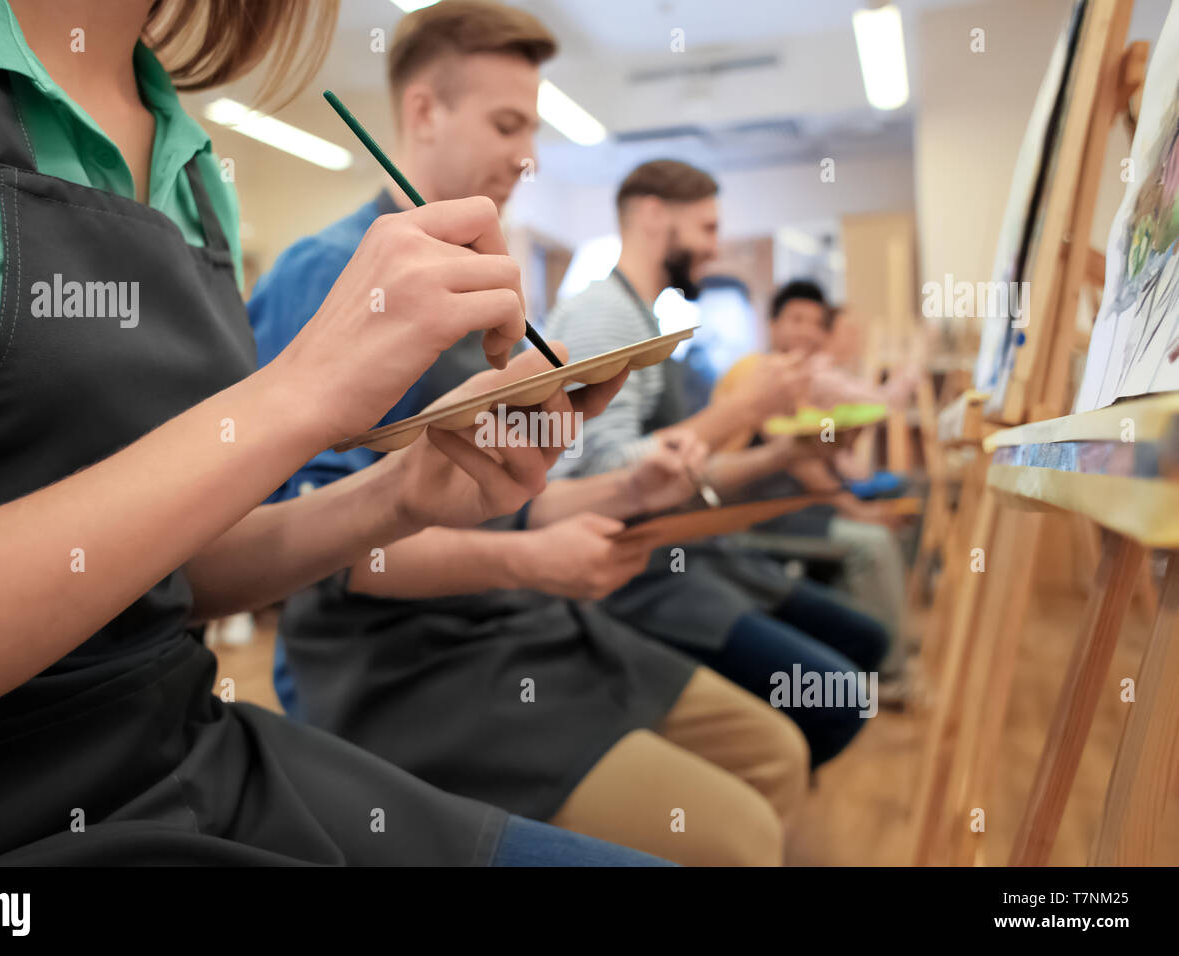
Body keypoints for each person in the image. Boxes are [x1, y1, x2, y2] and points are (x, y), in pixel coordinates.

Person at [0, 0, 675, 867]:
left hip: (184, 753)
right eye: (506, 123)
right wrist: (295, 397)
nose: (524, 157)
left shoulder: (189, 165)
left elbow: (169, 570)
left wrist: (398, 494)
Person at [249, 0, 809, 866]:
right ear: (424, 113)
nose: (527, 156)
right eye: (507, 124)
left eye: (532, 129)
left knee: (778, 752)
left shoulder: (487, 293)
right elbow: (335, 554)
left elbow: (506, 501)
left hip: (522, 623)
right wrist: (528, 562)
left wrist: (629, 486)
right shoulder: (327, 275)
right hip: (404, 668)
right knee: (733, 839)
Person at [545, 160, 888, 765]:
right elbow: (601, 475)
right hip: (638, 581)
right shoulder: (606, 316)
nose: (714, 246)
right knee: (839, 697)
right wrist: (743, 411)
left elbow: (681, 469)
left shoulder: (641, 317)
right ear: (653, 215)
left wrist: (784, 452)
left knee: (857, 655)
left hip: (688, 558)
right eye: (706, 228)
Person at [716, 280, 912, 686]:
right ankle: (890, 675)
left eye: (815, 323)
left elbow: (822, 452)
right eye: (795, 319)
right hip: (759, 516)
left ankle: (878, 647)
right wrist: (858, 509)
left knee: (887, 524)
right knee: (872, 542)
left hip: (802, 510)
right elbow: (797, 461)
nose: (806, 331)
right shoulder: (758, 374)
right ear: (772, 325)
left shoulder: (802, 383)